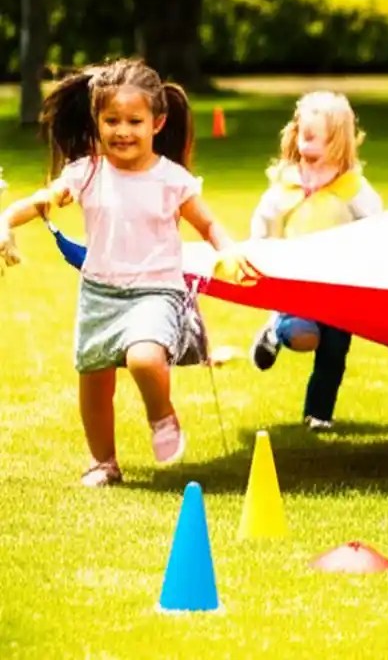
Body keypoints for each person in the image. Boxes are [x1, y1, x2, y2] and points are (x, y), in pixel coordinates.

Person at [0, 58, 256, 486]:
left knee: (143, 356)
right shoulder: (86, 172)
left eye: (134, 120)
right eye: (111, 120)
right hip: (99, 293)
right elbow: (39, 202)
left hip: (156, 293)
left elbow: (208, 224)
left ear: (156, 123)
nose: (122, 131)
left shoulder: (172, 180)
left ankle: (162, 415)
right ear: (96, 121)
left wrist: (227, 252)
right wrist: (6, 221)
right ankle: (104, 462)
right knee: (95, 384)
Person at [248, 91, 382, 432]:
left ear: (337, 142)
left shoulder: (352, 187)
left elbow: (376, 223)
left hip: (340, 286)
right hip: (296, 282)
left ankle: (318, 413)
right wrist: (259, 251)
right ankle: (276, 329)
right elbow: (265, 218)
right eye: (302, 133)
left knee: (334, 353)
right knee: (304, 335)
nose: (304, 142)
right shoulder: (288, 181)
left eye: (313, 136)